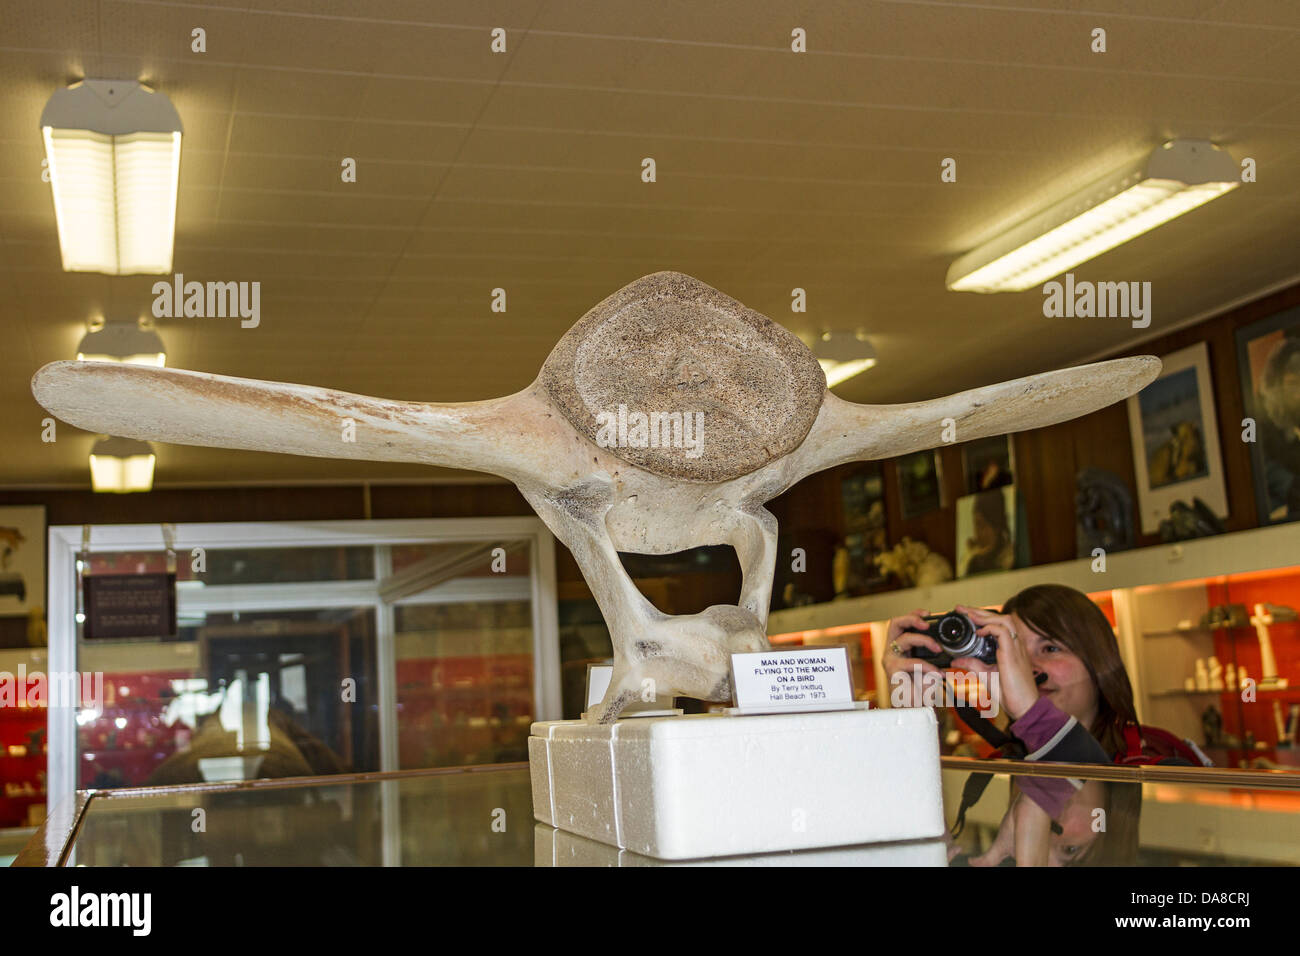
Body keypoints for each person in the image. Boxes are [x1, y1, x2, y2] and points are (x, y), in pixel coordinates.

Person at [883, 583, 1205, 865]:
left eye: (1050, 648)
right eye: (1014, 650)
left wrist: (1029, 710)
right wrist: (912, 716)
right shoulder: (1003, 766)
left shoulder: (1157, 767)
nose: (1029, 667)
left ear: (1100, 663)